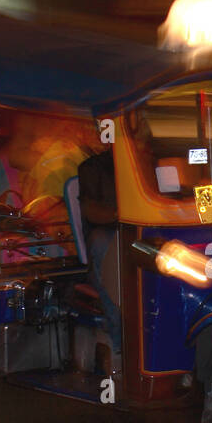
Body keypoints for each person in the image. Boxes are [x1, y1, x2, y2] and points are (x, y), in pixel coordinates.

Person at [76, 146, 121, 357]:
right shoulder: (93, 168)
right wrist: (122, 214)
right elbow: (91, 210)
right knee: (103, 243)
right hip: (108, 252)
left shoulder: (152, 161)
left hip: (140, 244)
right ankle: (122, 345)